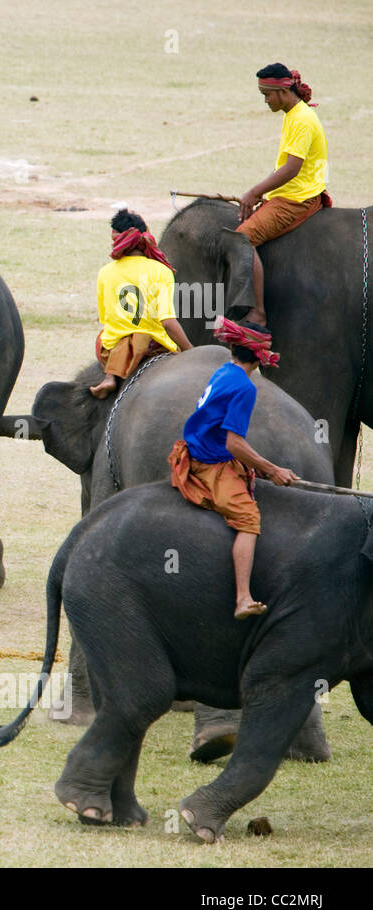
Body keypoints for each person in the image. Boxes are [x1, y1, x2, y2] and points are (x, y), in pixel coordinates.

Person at [168, 319, 298, 619]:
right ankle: (243, 598)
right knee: (249, 518)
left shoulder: (224, 370)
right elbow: (234, 443)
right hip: (209, 463)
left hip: (200, 447)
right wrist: (273, 469)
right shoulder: (245, 387)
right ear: (259, 355)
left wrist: (261, 467)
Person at [235, 63, 330, 327]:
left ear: (283, 91)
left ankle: (258, 313)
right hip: (289, 193)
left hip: (296, 199)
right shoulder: (294, 114)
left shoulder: (301, 119)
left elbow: (291, 169)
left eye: (267, 94)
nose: (265, 100)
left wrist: (255, 191)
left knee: (243, 238)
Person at [89, 209, 194, 398]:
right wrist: (189, 350)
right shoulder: (160, 271)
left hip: (112, 347)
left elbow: (105, 319)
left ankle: (111, 376)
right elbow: (168, 322)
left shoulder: (105, 272)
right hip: (151, 345)